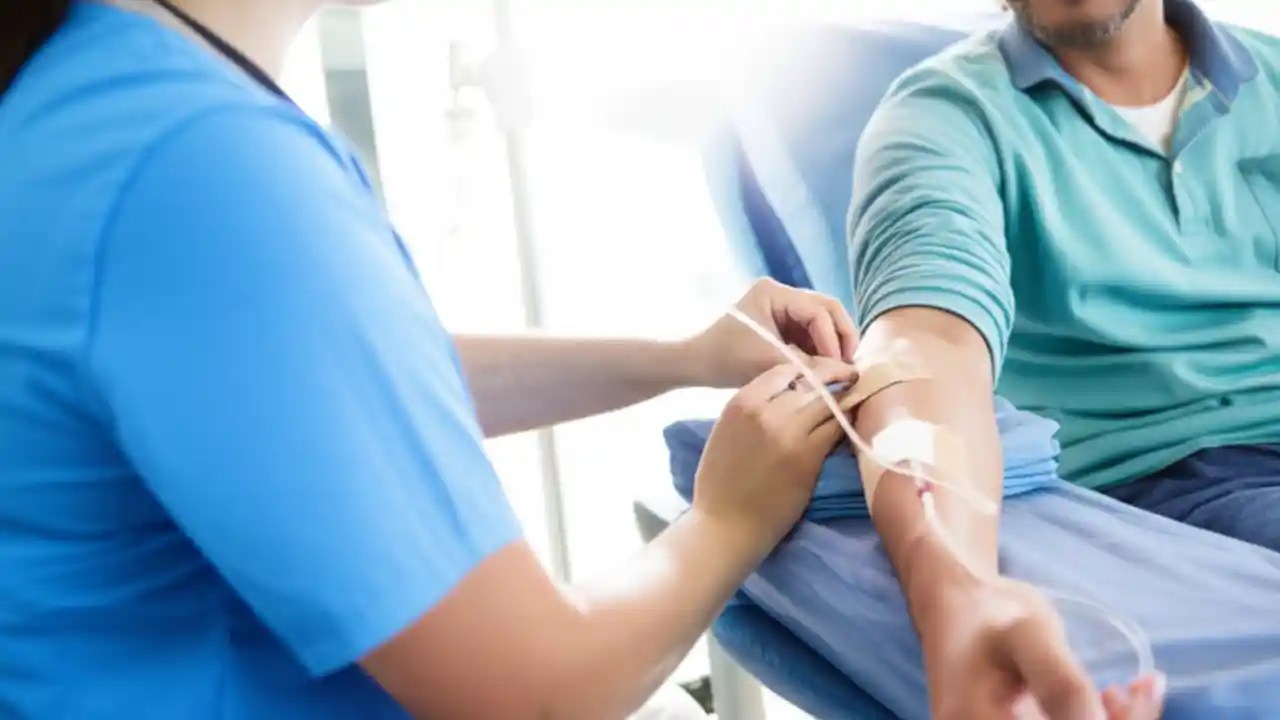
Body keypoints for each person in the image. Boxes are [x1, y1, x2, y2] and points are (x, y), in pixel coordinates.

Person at [0, 1, 867, 718]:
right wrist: (727, 520)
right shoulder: (206, 169)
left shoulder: (97, 96)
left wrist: (680, 358)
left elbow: (321, 390)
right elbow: (533, 693)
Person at [847, 0, 1279, 716]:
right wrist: (957, 588)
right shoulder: (945, 118)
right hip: (1178, 479)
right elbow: (925, 344)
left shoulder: (1269, 78)